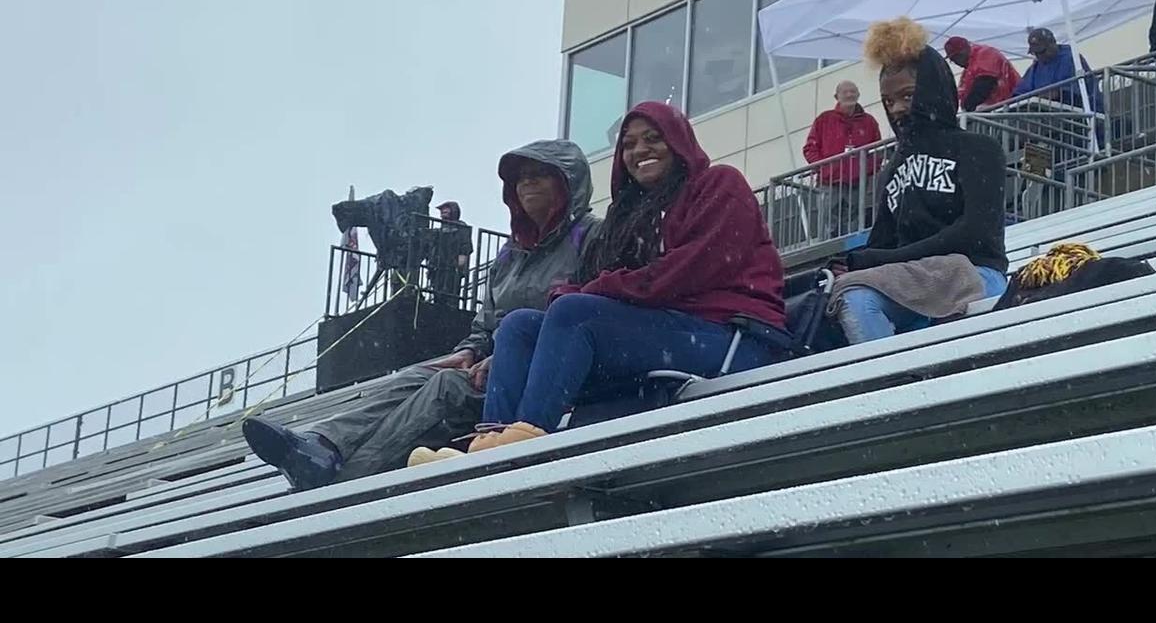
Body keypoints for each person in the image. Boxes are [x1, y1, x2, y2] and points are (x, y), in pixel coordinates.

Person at [409, 102, 787, 459]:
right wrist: (578, 291)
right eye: (629, 144)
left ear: (679, 141)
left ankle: (527, 438)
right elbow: (591, 279)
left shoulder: (719, 184)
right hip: (662, 333)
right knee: (519, 325)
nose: (640, 150)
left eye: (653, 138)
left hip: (729, 335)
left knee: (577, 312)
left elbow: (689, 270)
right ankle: (490, 439)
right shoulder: (628, 216)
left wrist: (593, 291)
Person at [240, 140, 600, 490]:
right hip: (488, 369)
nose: (527, 183)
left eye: (540, 174)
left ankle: (341, 481)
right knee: (416, 375)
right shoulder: (509, 254)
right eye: (521, 177)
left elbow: (579, 315)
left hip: (540, 376)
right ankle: (323, 445)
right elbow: (484, 323)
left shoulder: (590, 236)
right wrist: (469, 352)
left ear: (568, 182)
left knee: (444, 387)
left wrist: (501, 355)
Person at [831, 18, 1008, 346]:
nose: (897, 109)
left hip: (974, 273)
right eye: (888, 101)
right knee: (850, 297)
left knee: (857, 290)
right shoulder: (892, 170)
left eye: (908, 96)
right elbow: (882, 242)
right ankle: (892, 385)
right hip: (912, 280)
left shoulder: (978, 149)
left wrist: (882, 261)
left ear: (932, 88)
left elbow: (975, 232)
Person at [803, 81, 884, 239]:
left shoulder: (869, 122)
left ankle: (850, 257)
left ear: (858, 95)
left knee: (854, 224)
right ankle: (828, 257)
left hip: (857, 183)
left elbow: (878, 150)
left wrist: (866, 170)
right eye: (845, 92)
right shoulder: (824, 119)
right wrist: (825, 169)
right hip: (830, 183)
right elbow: (810, 148)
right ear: (837, 96)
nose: (849, 95)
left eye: (853, 91)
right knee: (829, 224)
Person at [1012, 28, 1101, 111]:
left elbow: (1080, 91)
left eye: (1042, 51)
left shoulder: (1071, 59)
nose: (1039, 56)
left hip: (1081, 116)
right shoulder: (1035, 68)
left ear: (1053, 43)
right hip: (1050, 119)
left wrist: (1059, 93)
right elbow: (1019, 93)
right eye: (1035, 53)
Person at [943, 36, 1022, 112]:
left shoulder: (985, 54)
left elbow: (985, 83)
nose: (955, 62)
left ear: (965, 50)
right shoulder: (969, 67)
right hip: (1001, 108)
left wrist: (969, 107)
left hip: (1012, 106)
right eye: (952, 60)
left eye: (955, 57)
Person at [425, 201, 473, 309]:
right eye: (442, 210)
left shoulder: (461, 227)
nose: (443, 212)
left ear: (453, 211)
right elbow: (431, 247)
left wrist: (462, 258)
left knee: (451, 295)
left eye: (446, 209)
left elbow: (465, 245)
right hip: (437, 268)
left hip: (452, 267)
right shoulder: (439, 231)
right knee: (437, 294)